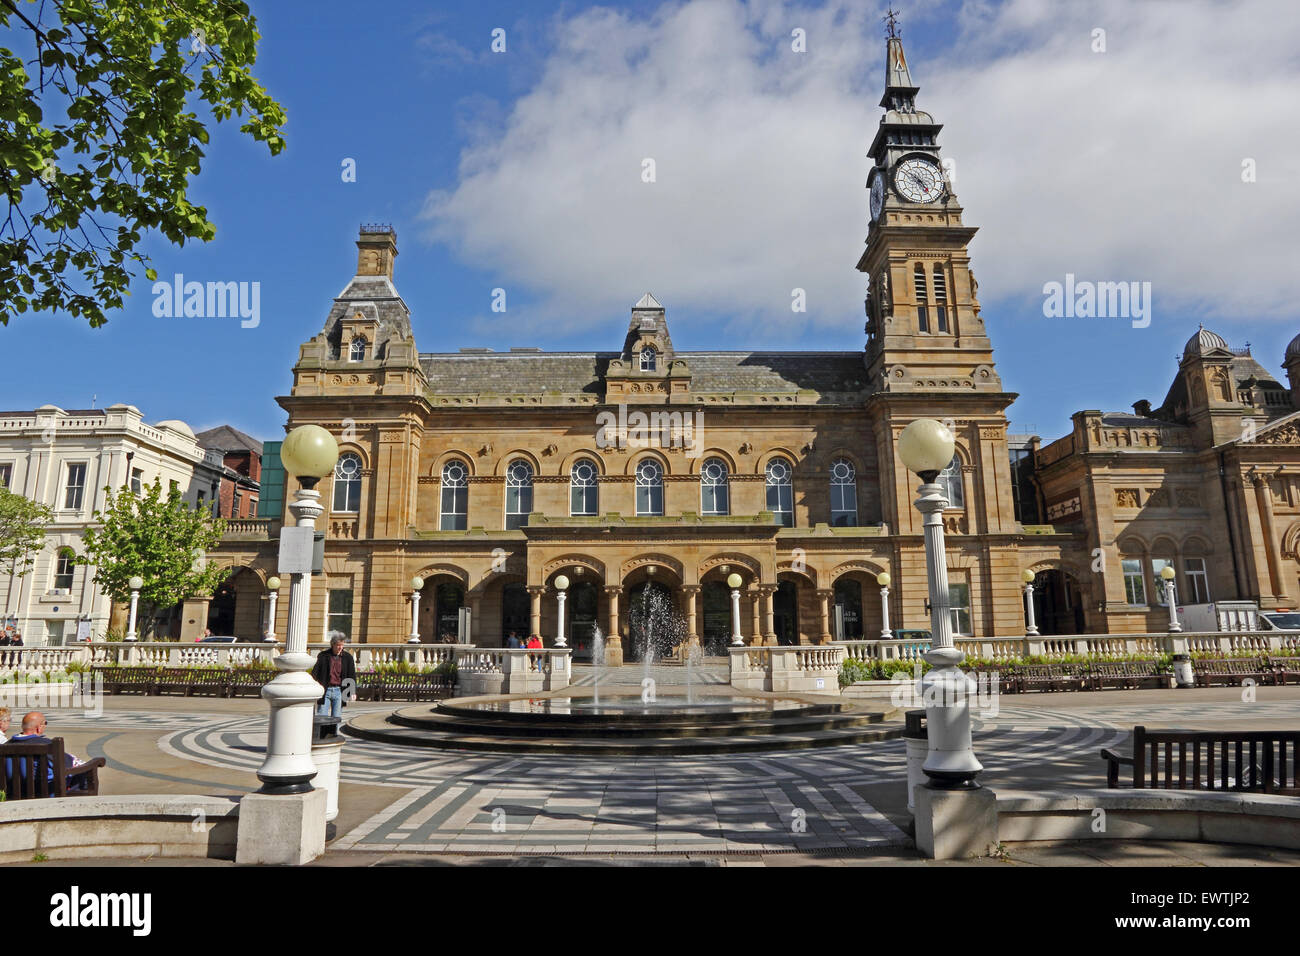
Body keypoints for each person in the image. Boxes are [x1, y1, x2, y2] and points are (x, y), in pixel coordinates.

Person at [6, 712, 91, 791]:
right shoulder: (45, 744)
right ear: (38, 728)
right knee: (85, 772)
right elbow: (69, 763)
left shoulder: (6, 745)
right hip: (47, 791)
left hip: (15, 791)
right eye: (45, 723)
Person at [311, 632, 356, 719]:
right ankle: (323, 733)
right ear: (333, 644)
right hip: (325, 690)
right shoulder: (323, 656)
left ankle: (334, 733)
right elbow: (315, 673)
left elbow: (351, 675)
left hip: (339, 691)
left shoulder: (348, 657)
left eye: (342, 645)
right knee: (321, 717)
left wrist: (352, 691)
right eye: (338, 645)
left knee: (337, 718)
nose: (340, 647)